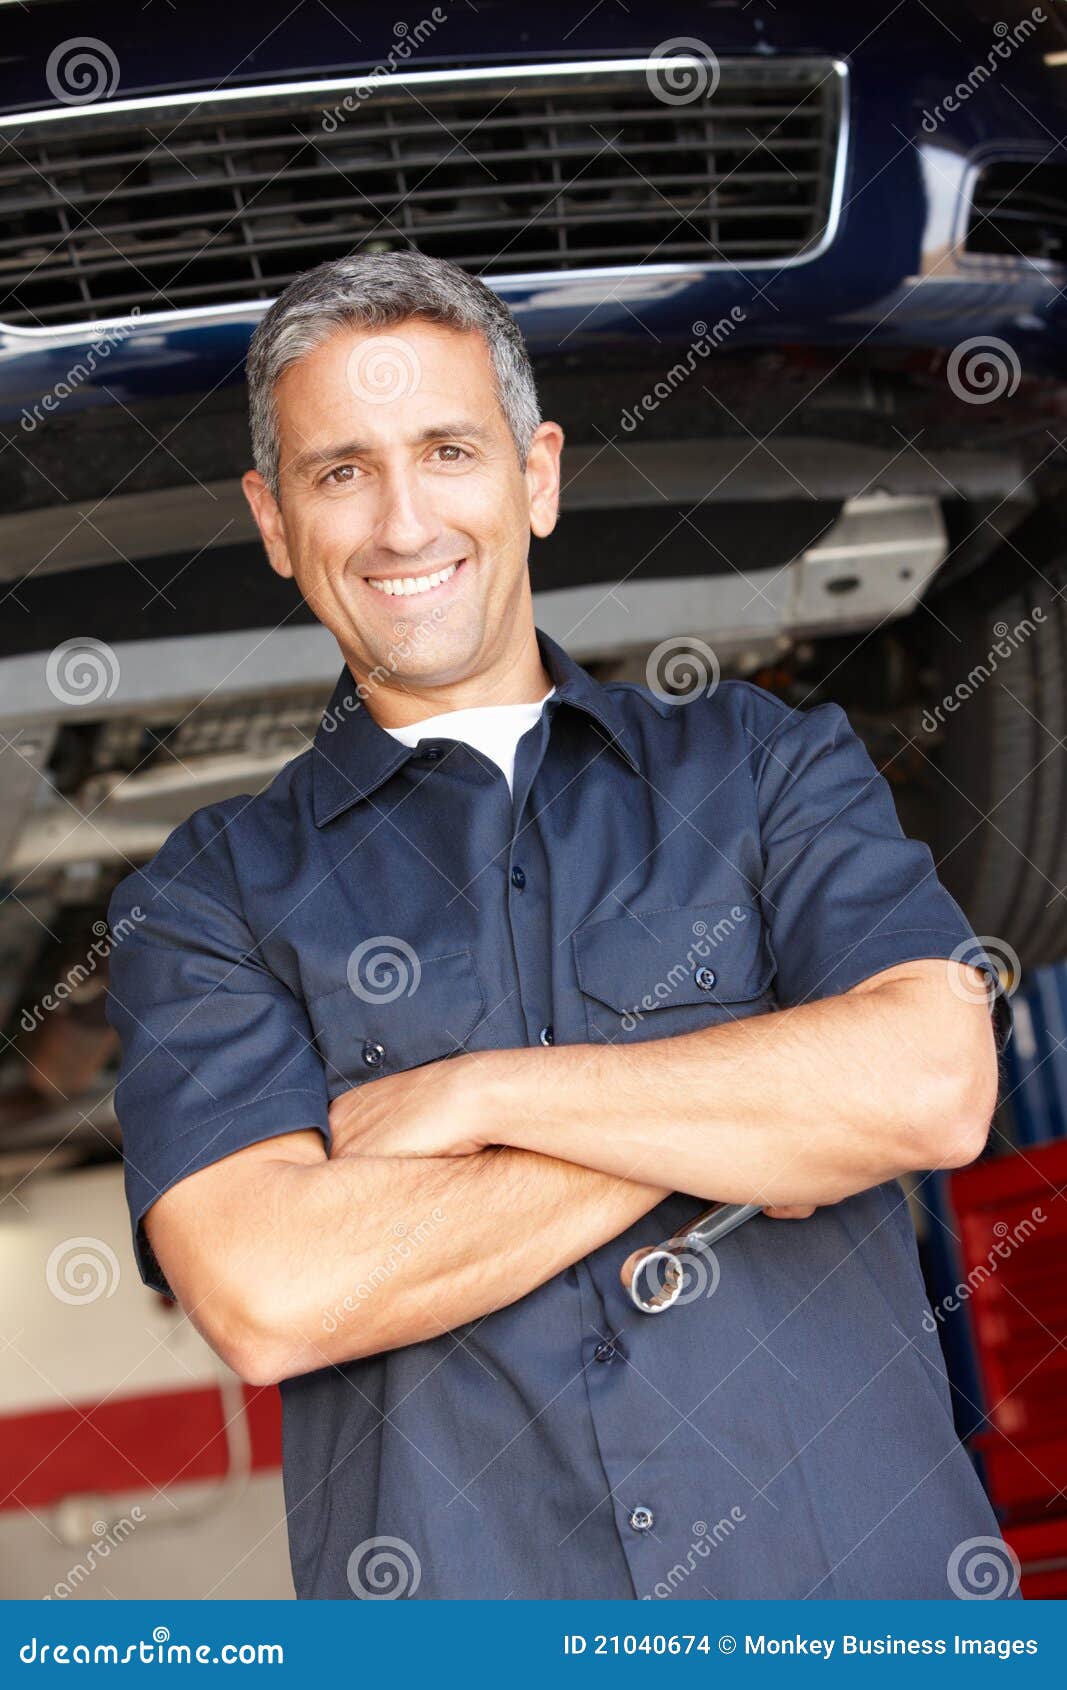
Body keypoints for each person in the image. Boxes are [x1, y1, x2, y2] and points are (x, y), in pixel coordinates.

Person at [106, 250, 1015, 1601]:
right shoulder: (203, 898)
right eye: (341, 469)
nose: (403, 522)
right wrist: (760, 1102)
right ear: (274, 518)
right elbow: (267, 1291)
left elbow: (934, 1087)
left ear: (535, 475)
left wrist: (477, 1095)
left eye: (449, 449)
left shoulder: (762, 764)